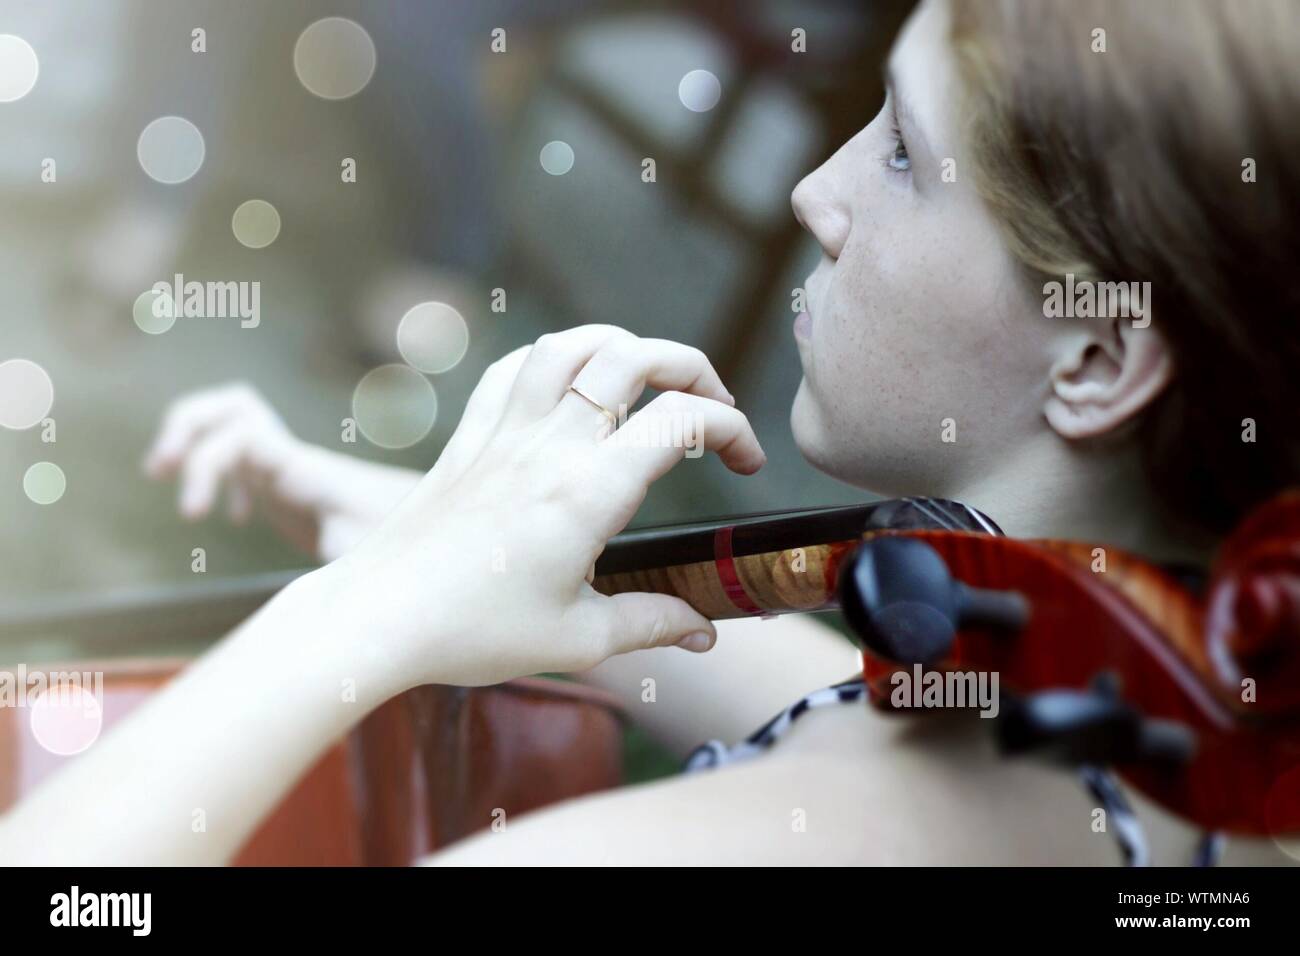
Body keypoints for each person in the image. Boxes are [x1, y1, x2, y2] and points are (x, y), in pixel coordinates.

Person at [1, 0, 1295, 865]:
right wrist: (411, 524)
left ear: (1099, 352)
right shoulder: (1146, 761)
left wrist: (358, 612)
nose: (815, 191)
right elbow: (821, 697)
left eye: (900, 153)